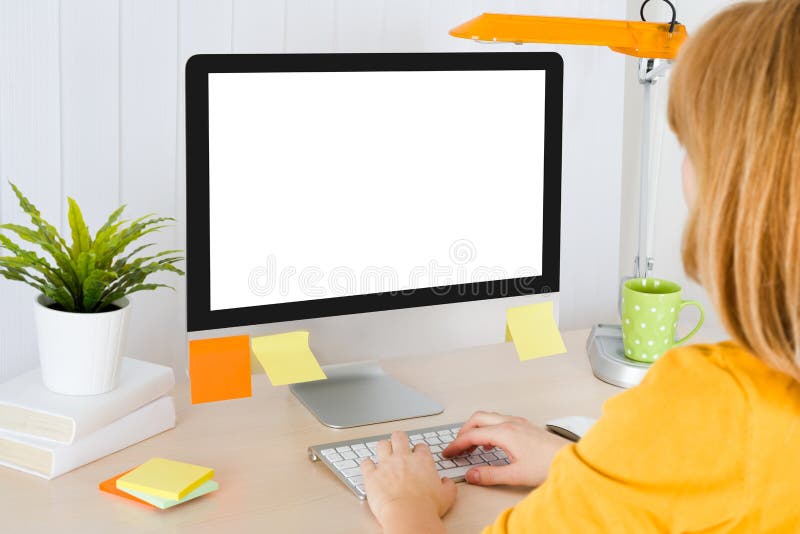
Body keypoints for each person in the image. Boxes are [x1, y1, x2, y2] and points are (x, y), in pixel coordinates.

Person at [359, 0, 800, 531]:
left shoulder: (713, 406)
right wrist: (587, 466)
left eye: (691, 145)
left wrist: (403, 503)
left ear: (742, 185)